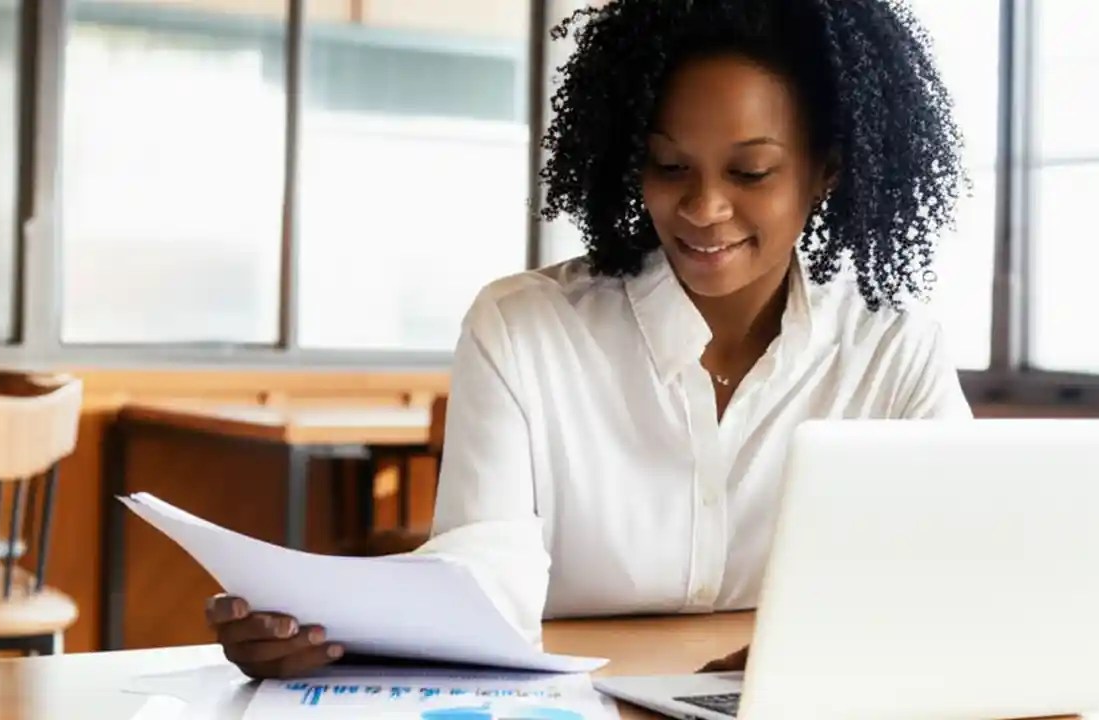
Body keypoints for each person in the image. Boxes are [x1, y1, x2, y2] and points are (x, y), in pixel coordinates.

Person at [206, 0, 970, 679]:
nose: (704, 207)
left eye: (751, 171)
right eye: (669, 165)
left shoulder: (894, 355)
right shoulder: (524, 328)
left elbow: (959, 575)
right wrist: (340, 635)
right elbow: (486, 568)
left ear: (825, 171)